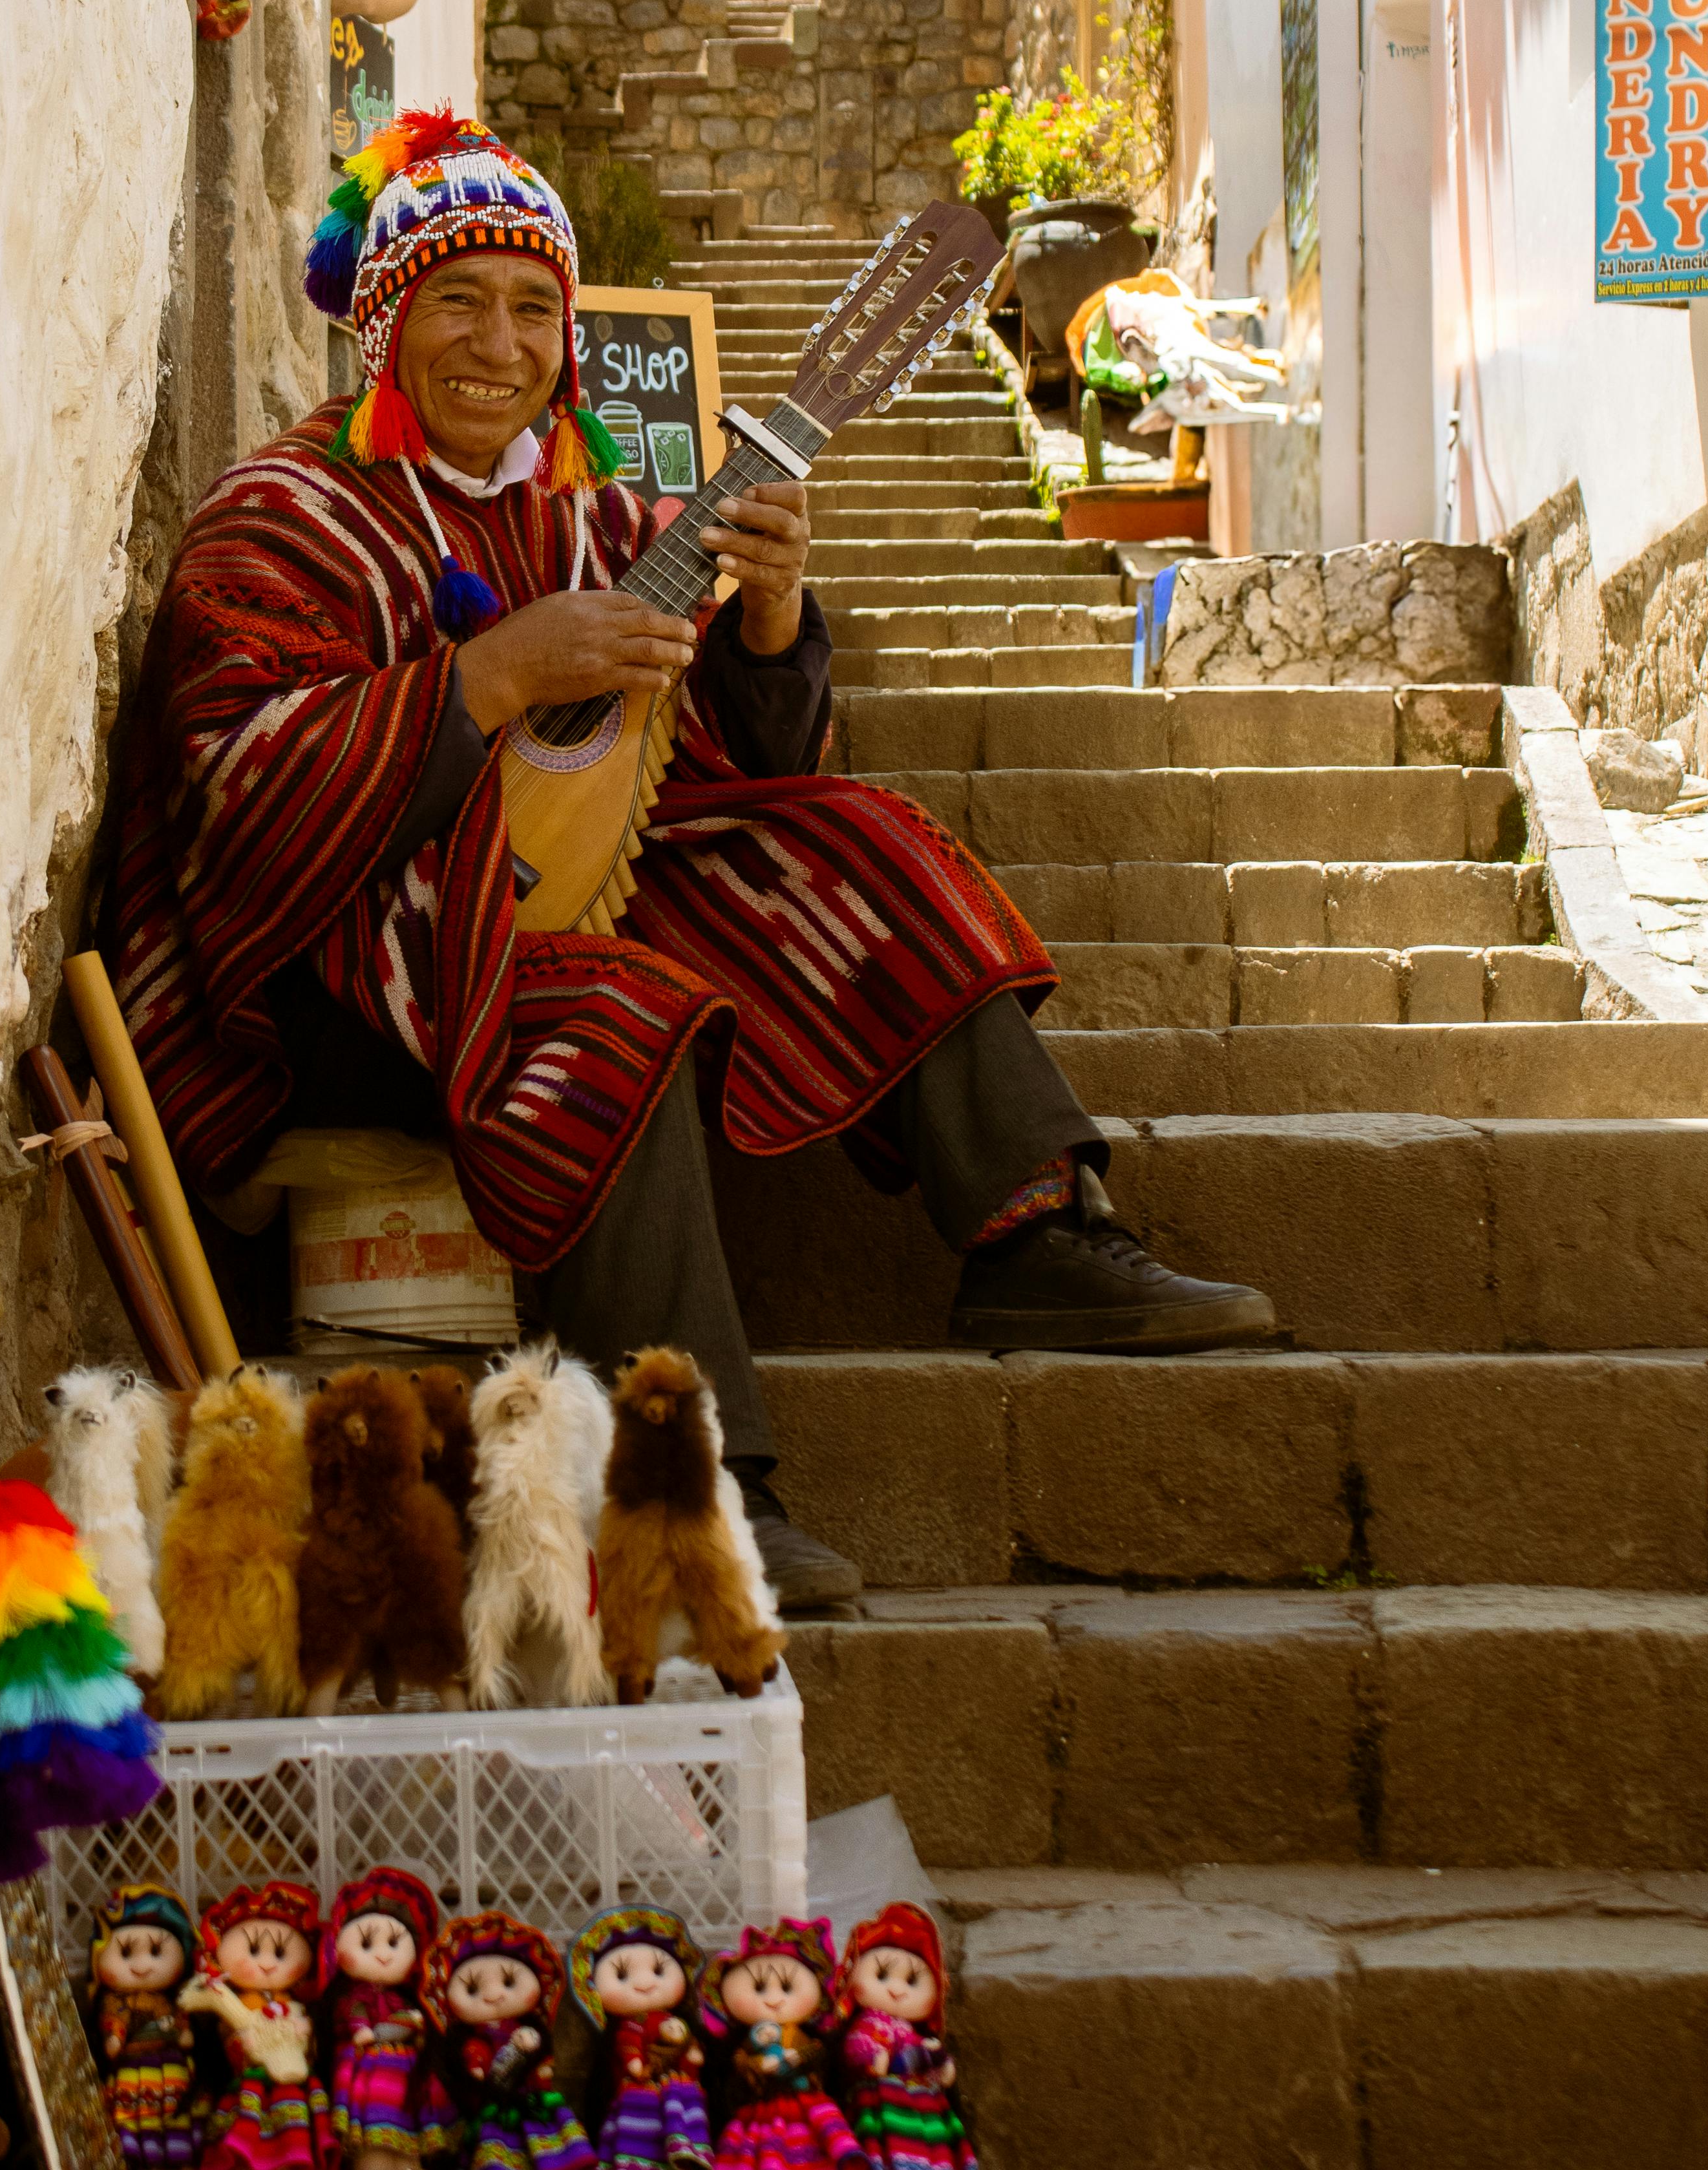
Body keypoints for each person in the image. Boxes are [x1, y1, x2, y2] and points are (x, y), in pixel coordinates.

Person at [101, 114, 1274, 1614]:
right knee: (615, 1015)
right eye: (457, 299)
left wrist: (775, 619)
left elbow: (750, 763)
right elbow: (225, 786)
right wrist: (478, 683)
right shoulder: (284, 511)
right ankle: (696, 1489)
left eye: (535, 307)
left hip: (559, 908)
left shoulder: (607, 515)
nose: (499, 341)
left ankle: (1032, 1227)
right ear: (387, 319)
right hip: (341, 972)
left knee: (856, 839)